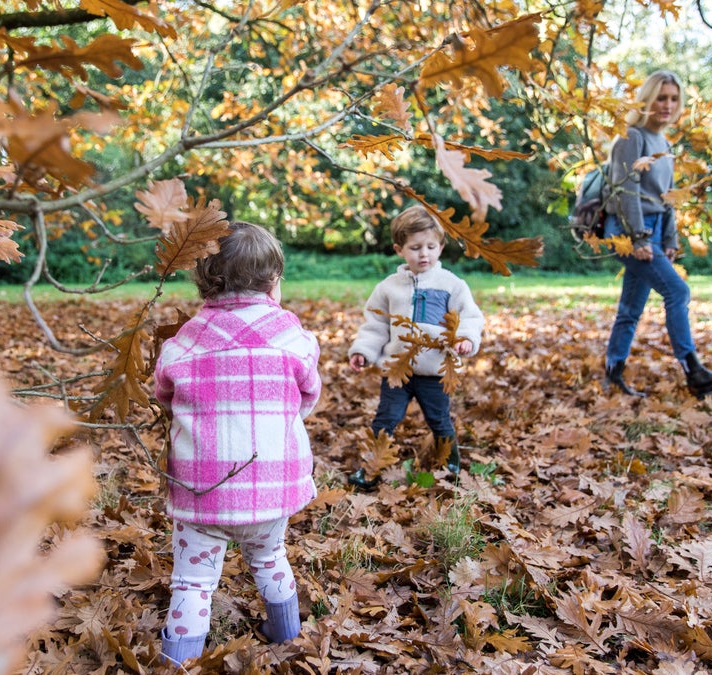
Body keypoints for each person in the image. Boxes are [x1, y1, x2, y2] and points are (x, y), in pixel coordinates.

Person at [153, 221, 322, 666]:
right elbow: (308, 394)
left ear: (204, 282)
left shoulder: (188, 339)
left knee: (192, 581)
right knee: (270, 557)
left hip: (202, 491)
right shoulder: (291, 336)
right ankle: (285, 631)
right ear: (273, 283)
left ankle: (179, 659)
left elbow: (164, 392)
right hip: (269, 487)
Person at [601, 69, 712, 399]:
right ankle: (694, 371)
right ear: (647, 100)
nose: (667, 104)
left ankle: (612, 375)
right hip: (629, 231)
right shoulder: (631, 138)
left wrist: (670, 239)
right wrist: (640, 239)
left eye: (674, 99)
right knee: (678, 291)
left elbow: (669, 195)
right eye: (661, 97)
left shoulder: (664, 144)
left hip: (654, 230)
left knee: (631, 309)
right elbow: (626, 193)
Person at [346, 205, 485, 490]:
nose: (424, 254)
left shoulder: (452, 285)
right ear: (399, 249)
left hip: (434, 372)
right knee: (385, 419)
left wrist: (466, 339)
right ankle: (371, 468)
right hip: (398, 371)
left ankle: (451, 466)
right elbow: (375, 324)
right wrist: (363, 350)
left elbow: (470, 316)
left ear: (441, 247)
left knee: (439, 420)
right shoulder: (389, 287)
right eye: (415, 247)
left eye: (431, 246)